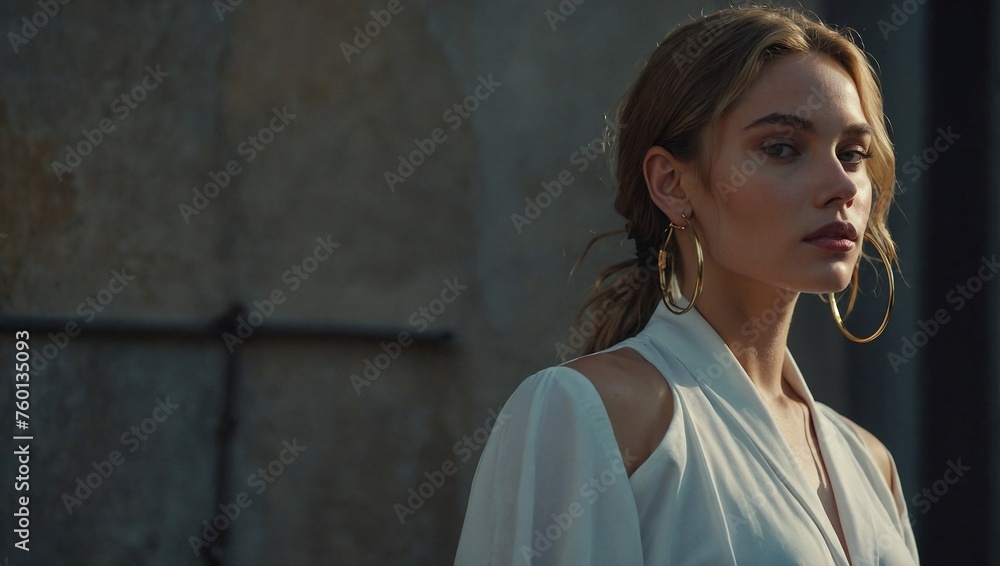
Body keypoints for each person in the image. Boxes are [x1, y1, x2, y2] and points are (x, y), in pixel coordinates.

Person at [455, 4, 919, 565]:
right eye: (781, 148)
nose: (842, 184)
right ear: (672, 183)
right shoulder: (587, 411)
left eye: (853, 153)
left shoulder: (870, 463)